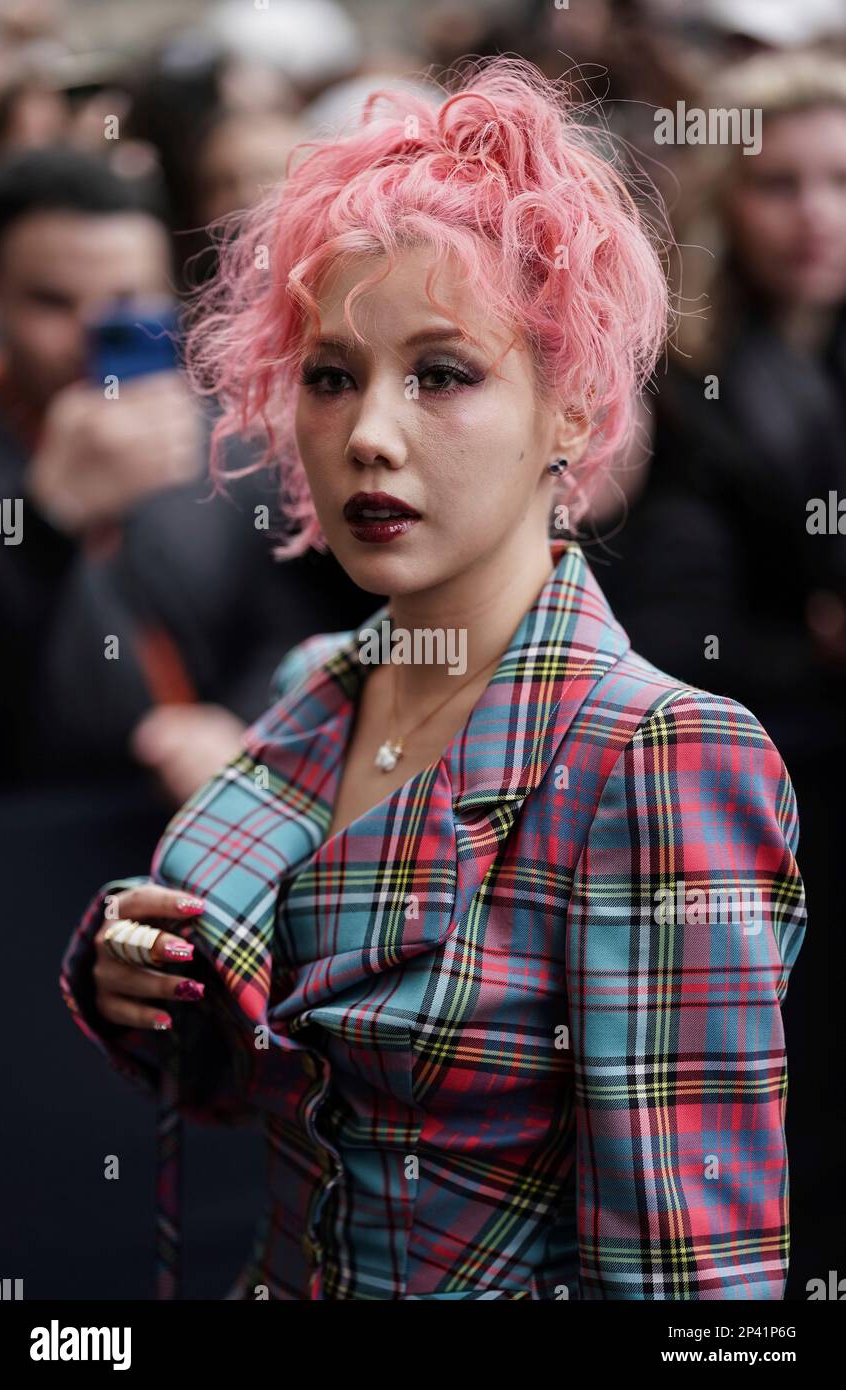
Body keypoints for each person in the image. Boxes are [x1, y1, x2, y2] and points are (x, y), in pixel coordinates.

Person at [60, 57, 806, 1300]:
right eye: (330, 375)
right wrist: (141, 972)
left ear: (571, 410)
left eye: (443, 373)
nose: (367, 432)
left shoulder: (654, 758)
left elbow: (692, 1284)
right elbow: (288, 1083)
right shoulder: (316, 686)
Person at [587, 50, 846, 1298]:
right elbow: (663, 642)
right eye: (777, 183)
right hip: (754, 816)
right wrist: (814, 645)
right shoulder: (683, 392)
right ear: (723, 201)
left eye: (837, 182)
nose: (812, 215)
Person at [0, 145, 371, 798]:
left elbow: (289, 623)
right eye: (52, 303)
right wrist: (45, 521)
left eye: (126, 303)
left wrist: (243, 730)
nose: (90, 339)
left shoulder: (229, 439)